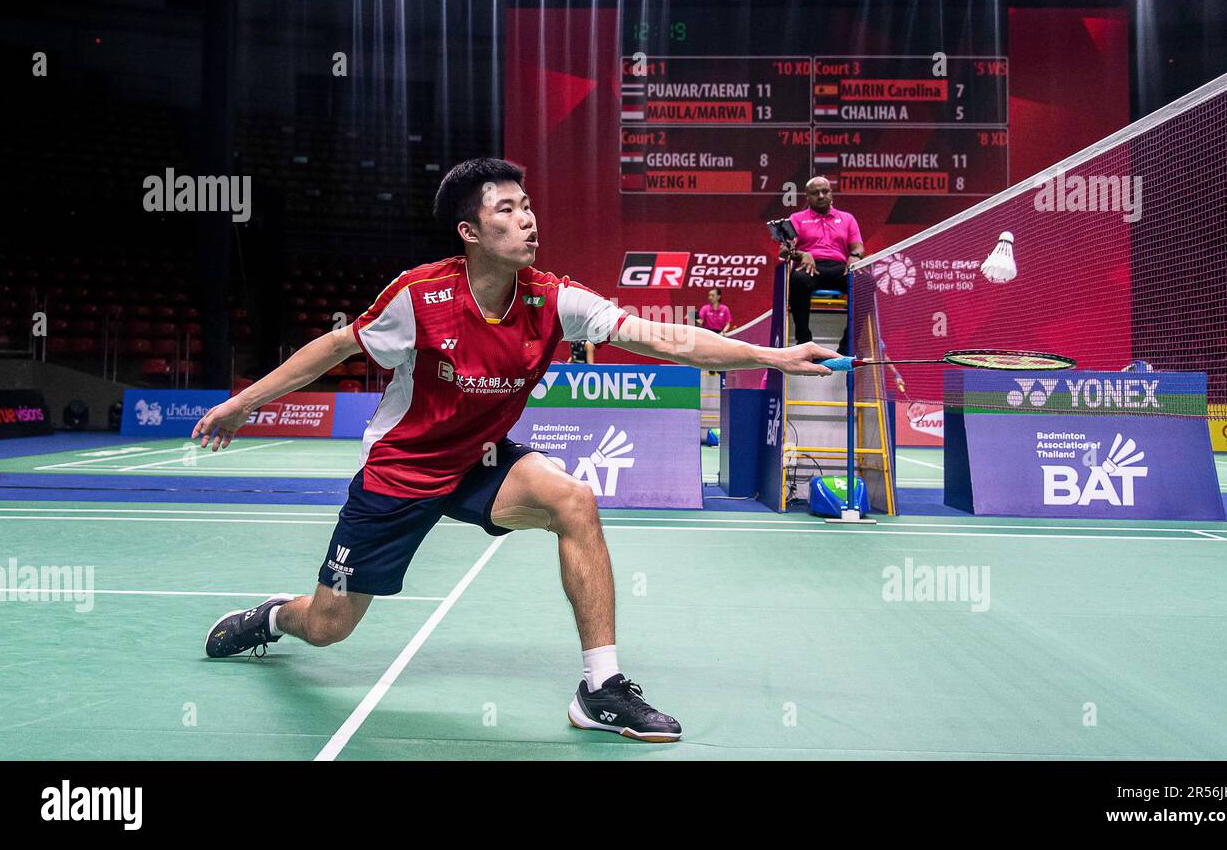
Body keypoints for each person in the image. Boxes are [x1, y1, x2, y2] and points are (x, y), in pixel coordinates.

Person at [193, 157, 839, 743]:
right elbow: (335, 347)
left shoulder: (553, 299)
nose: (527, 218)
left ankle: (601, 687)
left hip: (481, 462)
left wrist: (775, 355)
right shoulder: (420, 297)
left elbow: (666, 341)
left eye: (527, 205)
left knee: (574, 499)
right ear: (469, 232)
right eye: (507, 209)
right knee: (330, 625)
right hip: (401, 471)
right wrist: (245, 401)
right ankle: (273, 618)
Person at [779, 176, 865, 355]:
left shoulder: (847, 218)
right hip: (810, 267)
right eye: (815, 193)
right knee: (798, 279)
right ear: (807, 197)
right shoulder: (797, 219)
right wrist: (803, 254)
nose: (820, 195)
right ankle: (804, 340)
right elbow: (784, 250)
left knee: (867, 283)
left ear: (831, 194)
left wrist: (855, 257)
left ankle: (848, 342)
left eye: (825, 191)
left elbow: (858, 246)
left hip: (839, 268)